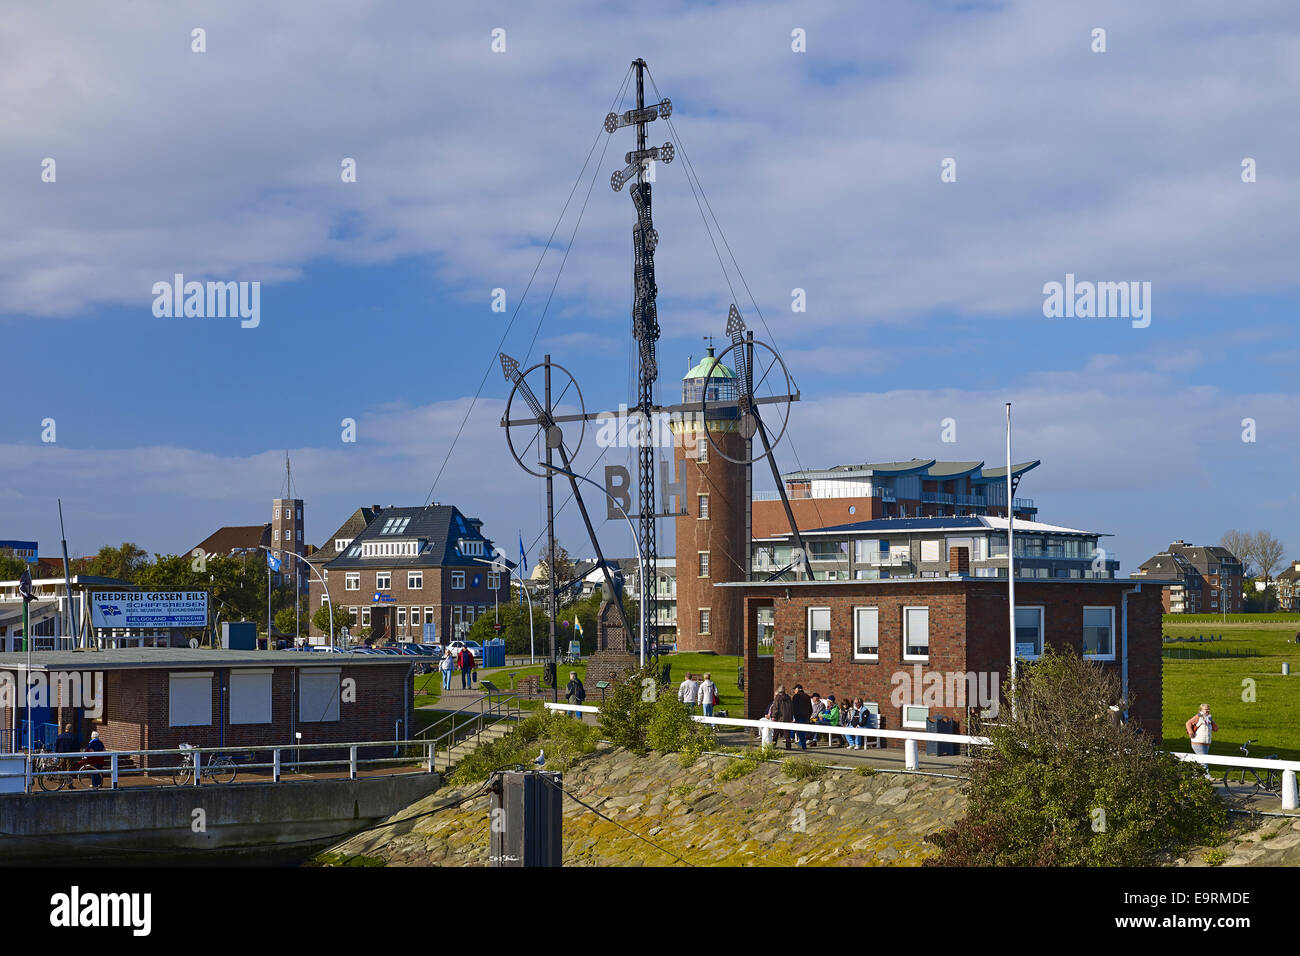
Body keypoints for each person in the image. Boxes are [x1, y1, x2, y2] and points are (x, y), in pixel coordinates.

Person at [1186, 703, 1217, 778]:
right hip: (1197, 742)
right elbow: (1188, 723)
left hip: (1206, 743)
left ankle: (1195, 776)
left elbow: (1215, 728)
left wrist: (1212, 722)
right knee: (1203, 760)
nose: (1207, 711)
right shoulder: (1198, 716)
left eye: (1208, 709)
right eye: (1205, 709)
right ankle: (1207, 776)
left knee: (1200, 760)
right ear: (1201, 710)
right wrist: (1190, 732)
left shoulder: (1209, 718)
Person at [770, 685, 794, 750]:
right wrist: (791, 717)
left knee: (776, 733)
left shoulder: (777, 698)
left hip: (779, 718)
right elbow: (792, 708)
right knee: (787, 734)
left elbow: (775, 708)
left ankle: (773, 746)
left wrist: (773, 716)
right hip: (787, 718)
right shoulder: (789, 698)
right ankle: (788, 747)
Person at [790, 684, 812, 751]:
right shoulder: (807, 696)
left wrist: (793, 716)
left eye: (795, 689)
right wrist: (809, 716)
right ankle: (801, 744)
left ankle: (803, 746)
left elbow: (793, 707)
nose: (794, 691)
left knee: (800, 731)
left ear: (798, 689)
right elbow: (810, 708)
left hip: (799, 716)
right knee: (802, 731)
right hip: (806, 716)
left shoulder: (796, 696)